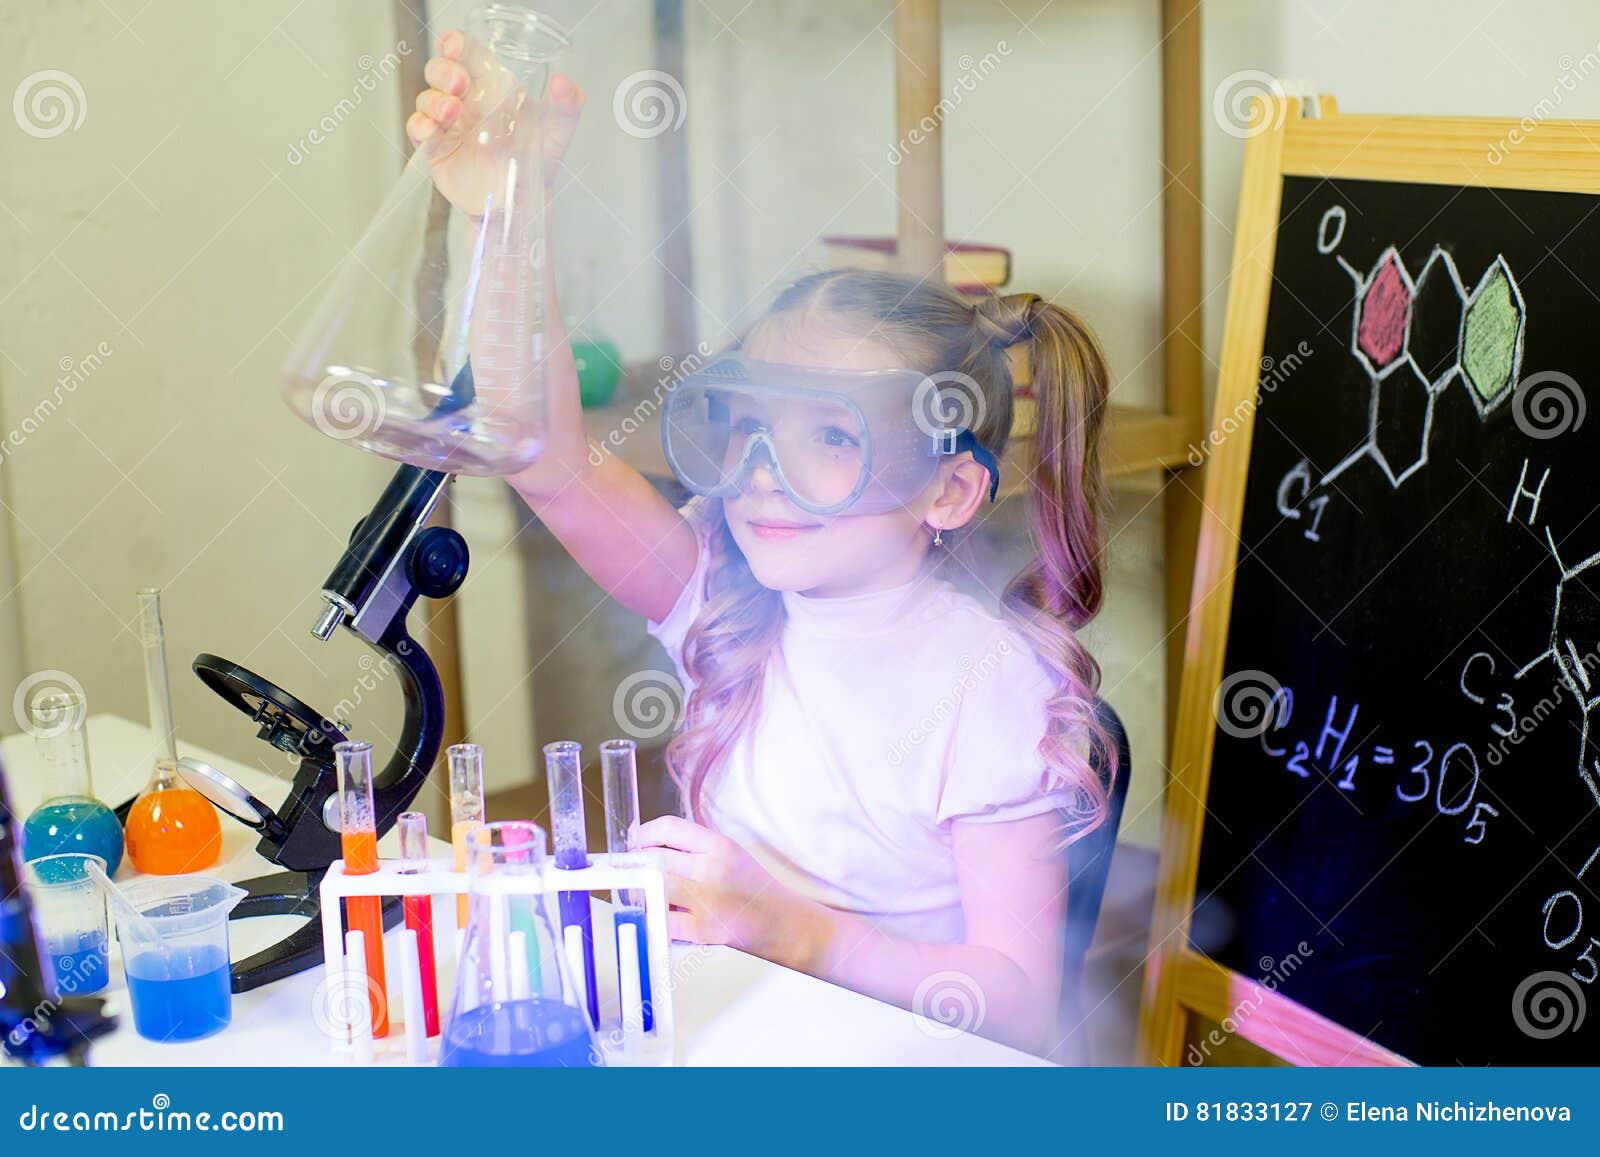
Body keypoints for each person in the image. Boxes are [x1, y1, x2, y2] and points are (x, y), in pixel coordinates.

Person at [408, 30, 1118, 1056]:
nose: (759, 476)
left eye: (830, 436)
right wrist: (500, 211)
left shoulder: (987, 688)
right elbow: (541, 454)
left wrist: (796, 930)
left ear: (949, 488)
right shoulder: (724, 592)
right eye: (751, 427)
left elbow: (1014, 1001)